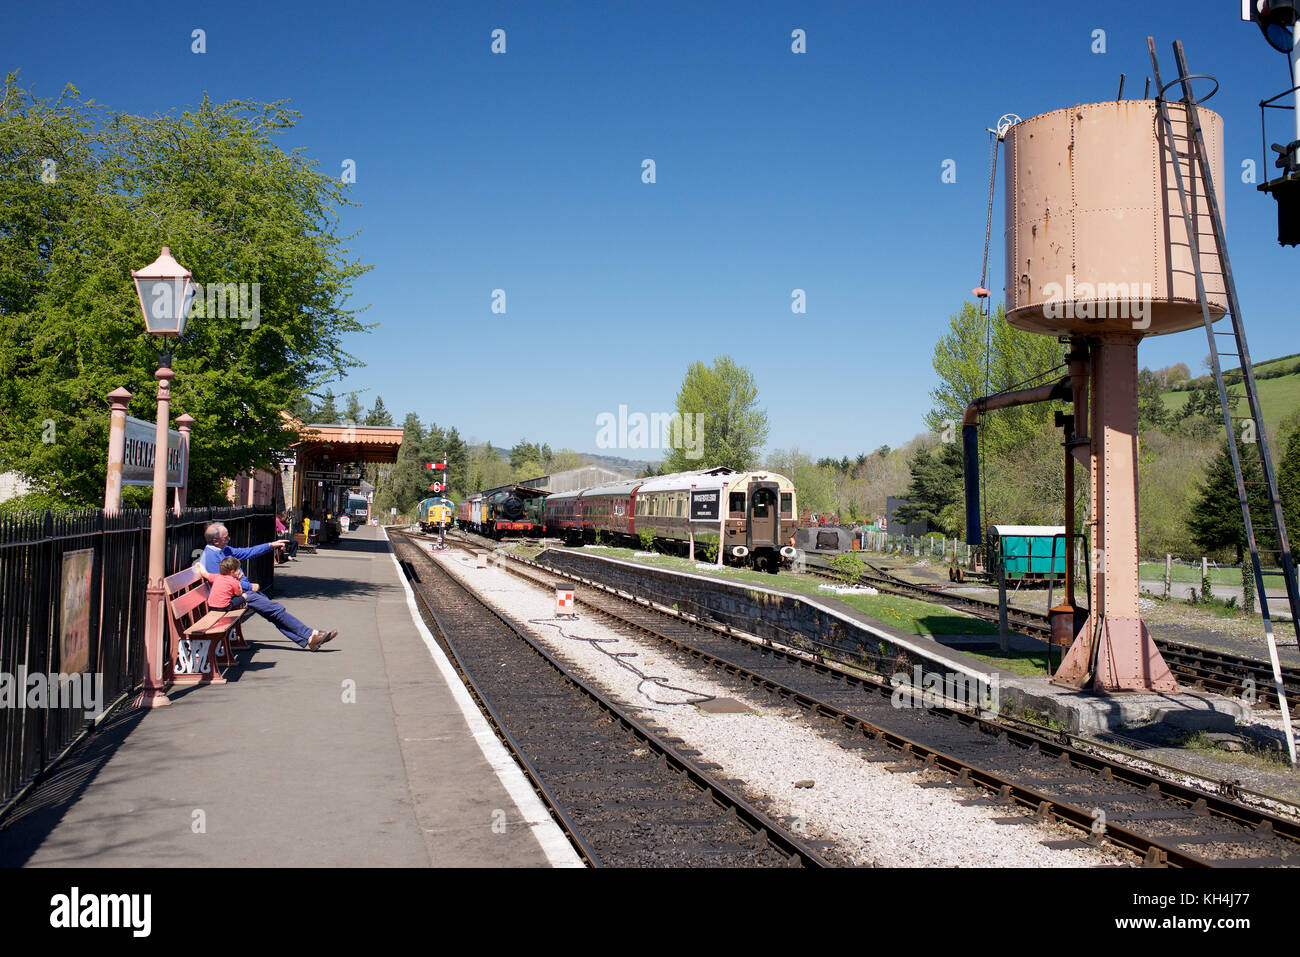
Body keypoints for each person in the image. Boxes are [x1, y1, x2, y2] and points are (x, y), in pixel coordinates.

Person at [199, 523, 336, 651]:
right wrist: (249, 586)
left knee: (273, 611)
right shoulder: (212, 557)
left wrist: (270, 545)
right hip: (234, 597)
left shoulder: (222, 549)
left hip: (240, 593)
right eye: (226, 537)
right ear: (215, 541)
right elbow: (222, 583)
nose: (229, 539)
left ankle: (309, 638)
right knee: (274, 609)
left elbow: (247, 552)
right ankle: (310, 635)